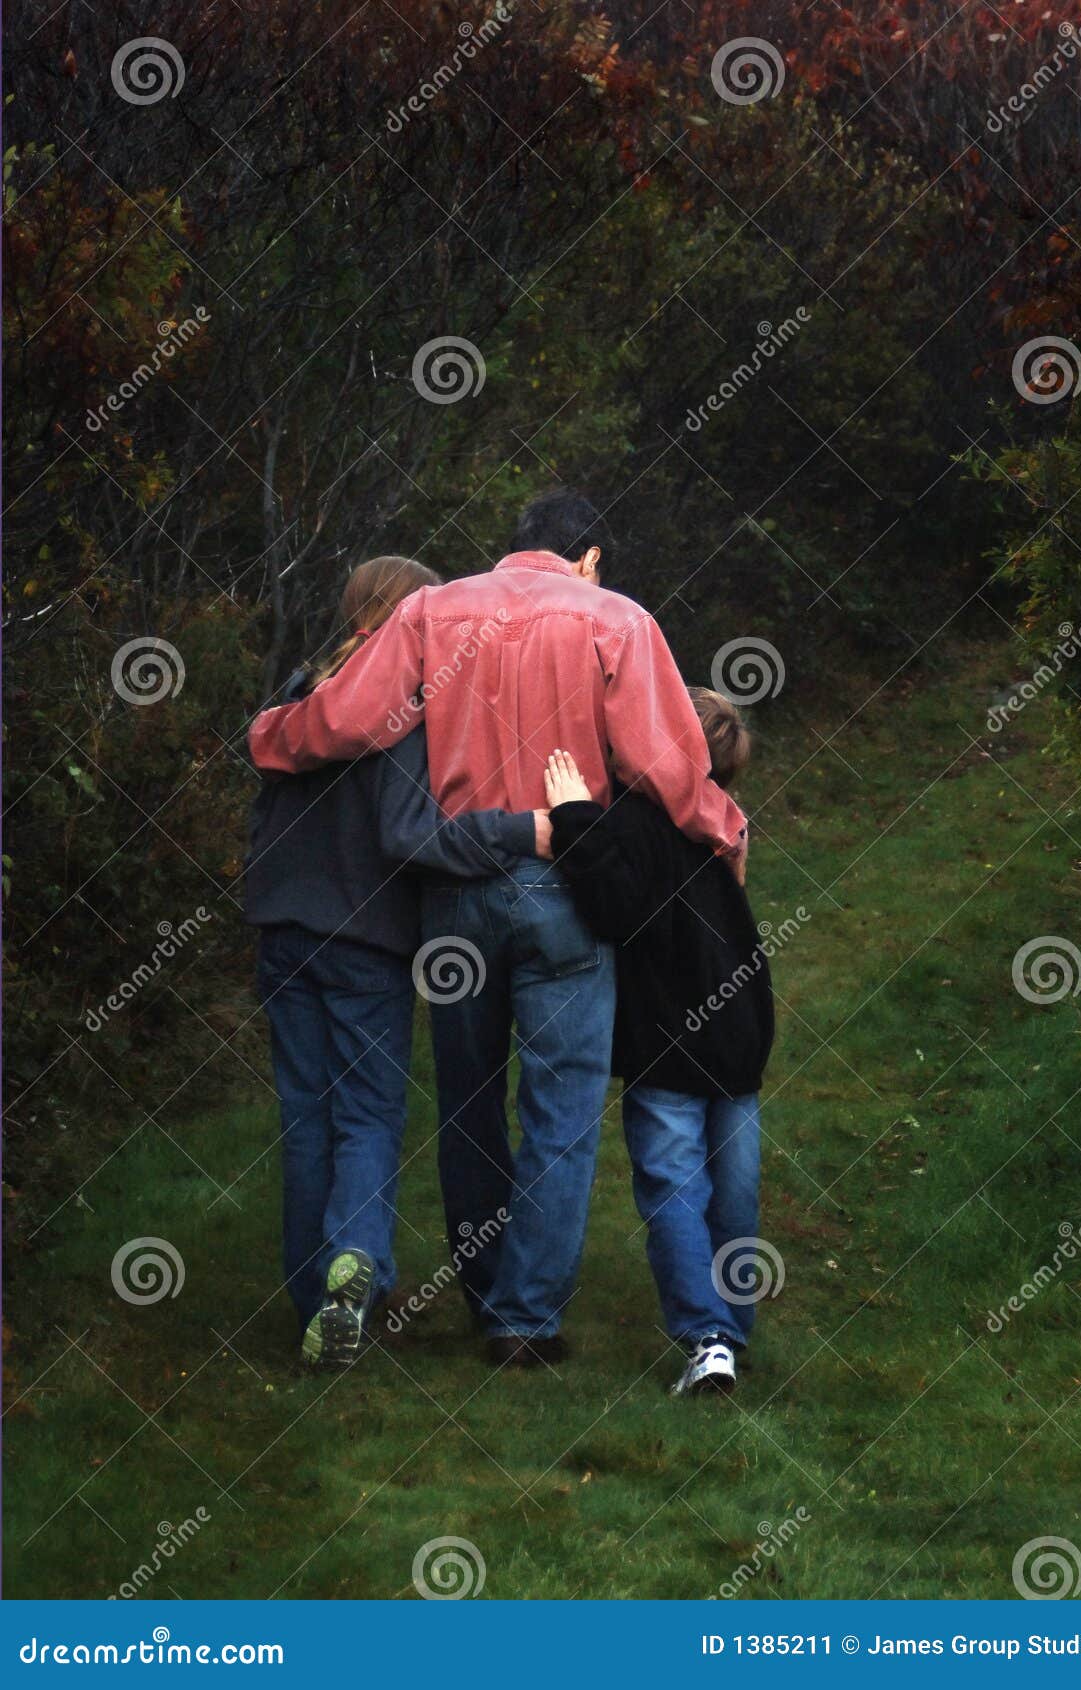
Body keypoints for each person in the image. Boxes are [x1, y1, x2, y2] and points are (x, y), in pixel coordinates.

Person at [248, 491, 748, 1367]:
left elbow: (351, 720)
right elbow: (664, 763)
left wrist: (270, 736)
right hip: (563, 888)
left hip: (455, 892)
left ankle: (479, 1291)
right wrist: (723, 827)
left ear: (514, 546)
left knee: (469, 1103)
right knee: (559, 1112)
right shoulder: (616, 619)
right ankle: (523, 1320)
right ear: (589, 558)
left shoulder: (431, 610)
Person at [244, 556, 537, 1369]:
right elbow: (410, 835)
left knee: (307, 1117)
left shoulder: (305, 689)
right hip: (365, 937)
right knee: (368, 1115)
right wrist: (515, 834)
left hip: (283, 928)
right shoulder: (411, 707)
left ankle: (315, 1298)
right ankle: (356, 1263)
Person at [540, 689, 772, 1395]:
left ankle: (709, 1337)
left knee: (675, 1186)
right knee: (733, 1191)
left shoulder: (640, 821)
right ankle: (729, 1326)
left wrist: (574, 815)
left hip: (670, 1037)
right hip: (738, 1035)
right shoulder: (719, 819)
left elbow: (616, 906)